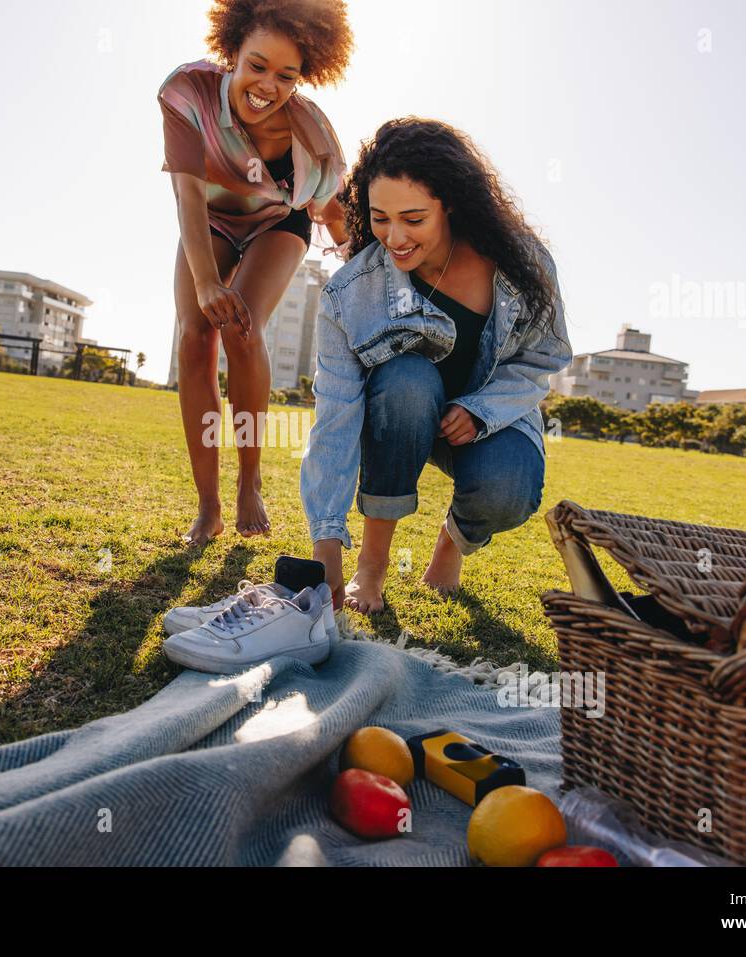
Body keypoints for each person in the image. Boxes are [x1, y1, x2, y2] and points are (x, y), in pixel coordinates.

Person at [300, 118, 573, 612]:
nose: (395, 237)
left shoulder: (523, 263)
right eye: (380, 218)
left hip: (488, 421)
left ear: (449, 202)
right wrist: (326, 545)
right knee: (406, 378)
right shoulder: (350, 294)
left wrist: (482, 410)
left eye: (414, 218)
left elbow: (544, 358)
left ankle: (452, 543)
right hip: (399, 413)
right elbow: (335, 418)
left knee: (508, 491)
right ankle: (373, 565)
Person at [160, 0, 353, 546]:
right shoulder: (186, 93)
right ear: (233, 54)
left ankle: (250, 480)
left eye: (286, 76)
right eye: (258, 65)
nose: (268, 84)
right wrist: (204, 282)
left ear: (302, 79)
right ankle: (208, 506)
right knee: (196, 337)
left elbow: (335, 220)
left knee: (242, 326)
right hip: (212, 217)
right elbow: (188, 195)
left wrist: (368, 269)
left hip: (277, 221)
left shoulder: (315, 142)